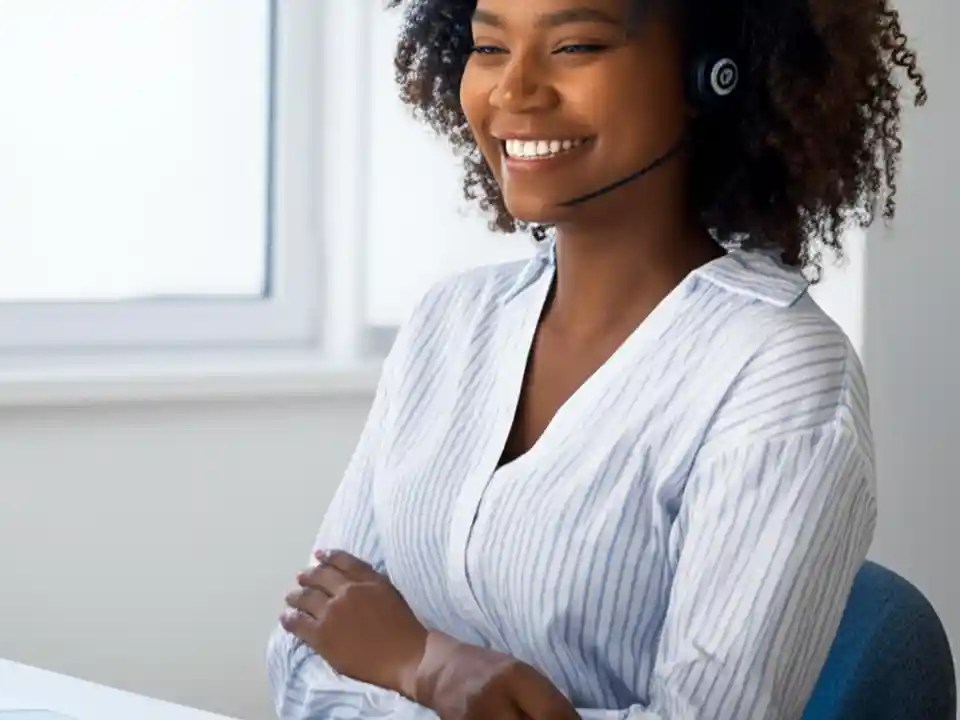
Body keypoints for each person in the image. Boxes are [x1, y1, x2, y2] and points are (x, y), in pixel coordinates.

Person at [265, 0, 927, 717]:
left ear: (712, 77)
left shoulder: (779, 373)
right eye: (489, 48)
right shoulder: (447, 322)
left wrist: (416, 660)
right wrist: (452, 686)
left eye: (574, 46)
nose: (514, 92)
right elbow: (305, 661)